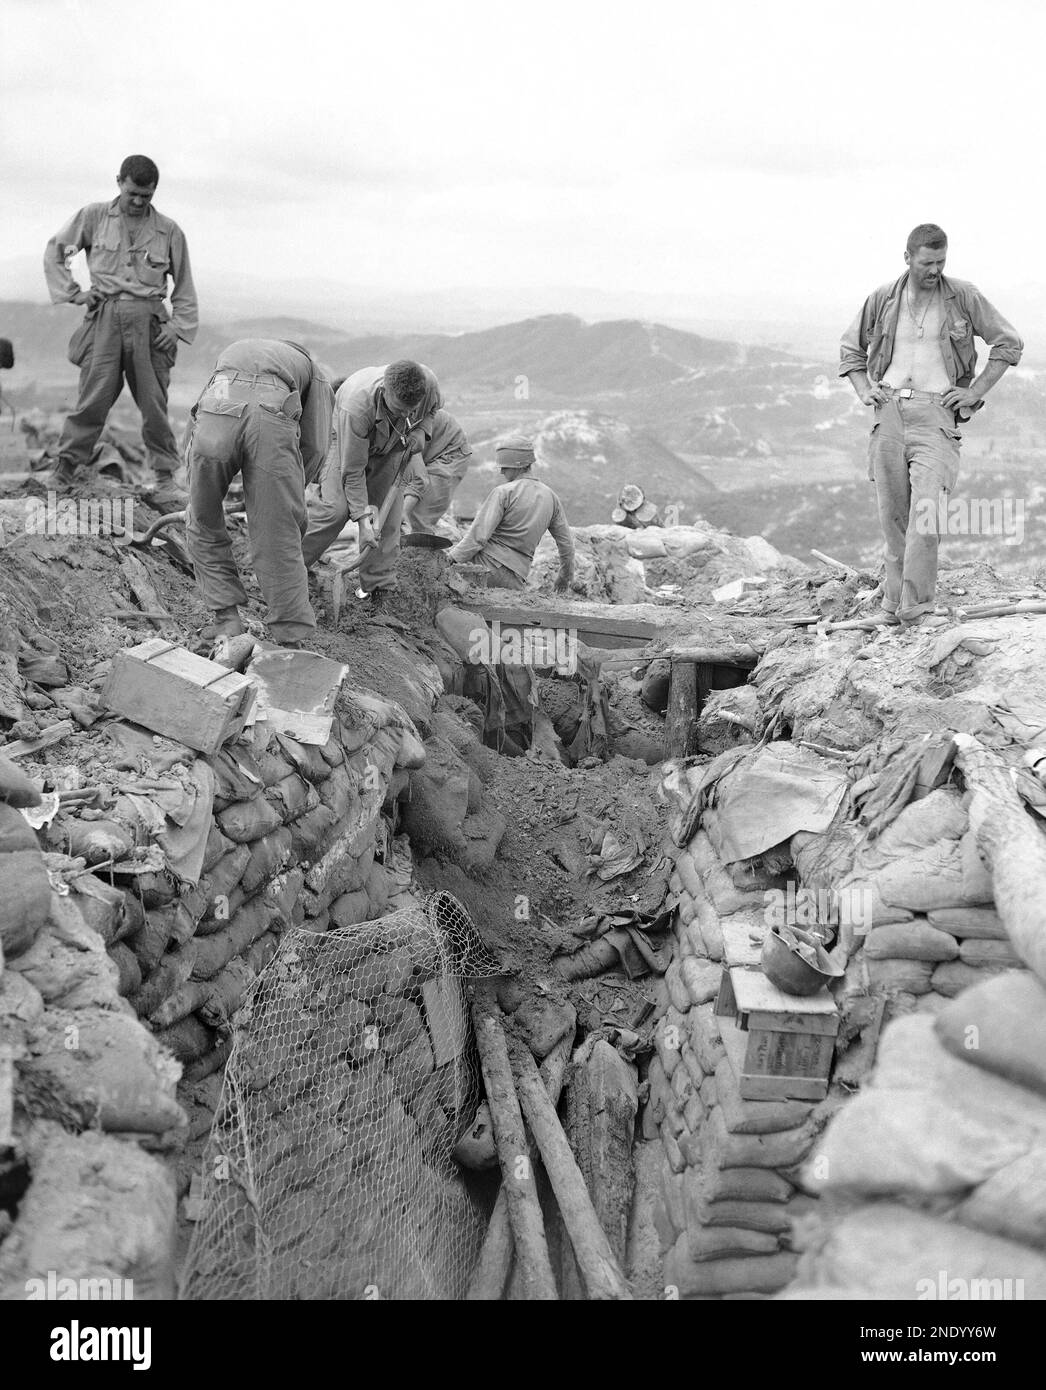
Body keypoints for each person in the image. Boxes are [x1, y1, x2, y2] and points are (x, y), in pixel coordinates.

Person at [840, 223, 1022, 627]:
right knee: (894, 517)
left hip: (936, 414)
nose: (935, 270)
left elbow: (1008, 343)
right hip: (888, 411)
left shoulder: (963, 296)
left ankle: (918, 609)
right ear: (908, 258)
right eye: (927, 262)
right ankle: (893, 606)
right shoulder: (883, 298)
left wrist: (974, 392)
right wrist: (863, 390)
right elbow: (849, 349)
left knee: (927, 514)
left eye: (941, 261)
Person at [43, 155, 198, 509]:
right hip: (106, 319)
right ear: (119, 182)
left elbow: (185, 286)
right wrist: (75, 292)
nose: (139, 201)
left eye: (146, 194)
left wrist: (177, 328)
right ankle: (64, 470)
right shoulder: (94, 217)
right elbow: (58, 252)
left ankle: (163, 478)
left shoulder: (169, 231)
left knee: (155, 405)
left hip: (150, 324)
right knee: (92, 399)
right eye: (133, 193)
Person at [184, 339, 333, 648]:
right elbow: (316, 446)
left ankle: (227, 620)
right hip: (271, 418)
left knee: (201, 519)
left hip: (216, 411)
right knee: (276, 533)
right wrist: (285, 490)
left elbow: (200, 415)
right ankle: (290, 638)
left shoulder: (234, 350)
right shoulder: (313, 372)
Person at [302, 360, 442, 608]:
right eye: (400, 409)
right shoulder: (356, 406)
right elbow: (353, 472)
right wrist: (362, 521)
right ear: (385, 392)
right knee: (335, 510)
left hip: (391, 444)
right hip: (345, 441)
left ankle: (378, 588)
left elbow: (431, 411)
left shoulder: (428, 383)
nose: (407, 415)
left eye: (412, 410)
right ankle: (288, 569)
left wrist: (421, 432)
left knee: (387, 520)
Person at [446, 436, 574, 591]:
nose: (501, 471)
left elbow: (478, 537)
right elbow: (566, 544)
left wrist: (450, 559)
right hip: (516, 578)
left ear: (517, 466)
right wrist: (565, 575)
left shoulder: (503, 492)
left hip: (485, 568)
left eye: (505, 467)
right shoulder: (552, 497)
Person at [404, 408, 472, 534]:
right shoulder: (362, 440)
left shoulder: (402, 431)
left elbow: (418, 479)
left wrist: (402, 513)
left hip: (448, 450)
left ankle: (419, 550)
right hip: (422, 447)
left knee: (419, 516)